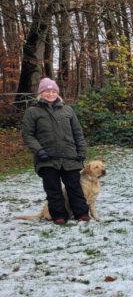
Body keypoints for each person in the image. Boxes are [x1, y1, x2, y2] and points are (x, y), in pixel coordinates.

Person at [21, 77, 90, 225]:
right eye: (47, 91)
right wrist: (39, 151)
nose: (50, 94)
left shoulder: (68, 110)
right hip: (47, 158)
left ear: (57, 93)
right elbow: (28, 135)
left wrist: (81, 151)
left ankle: (82, 213)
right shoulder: (32, 111)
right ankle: (59, 215)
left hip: (70, 158)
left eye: (53, 91)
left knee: (75, 187)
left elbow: (78, 132)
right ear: (41, 93)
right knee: (53, 190)